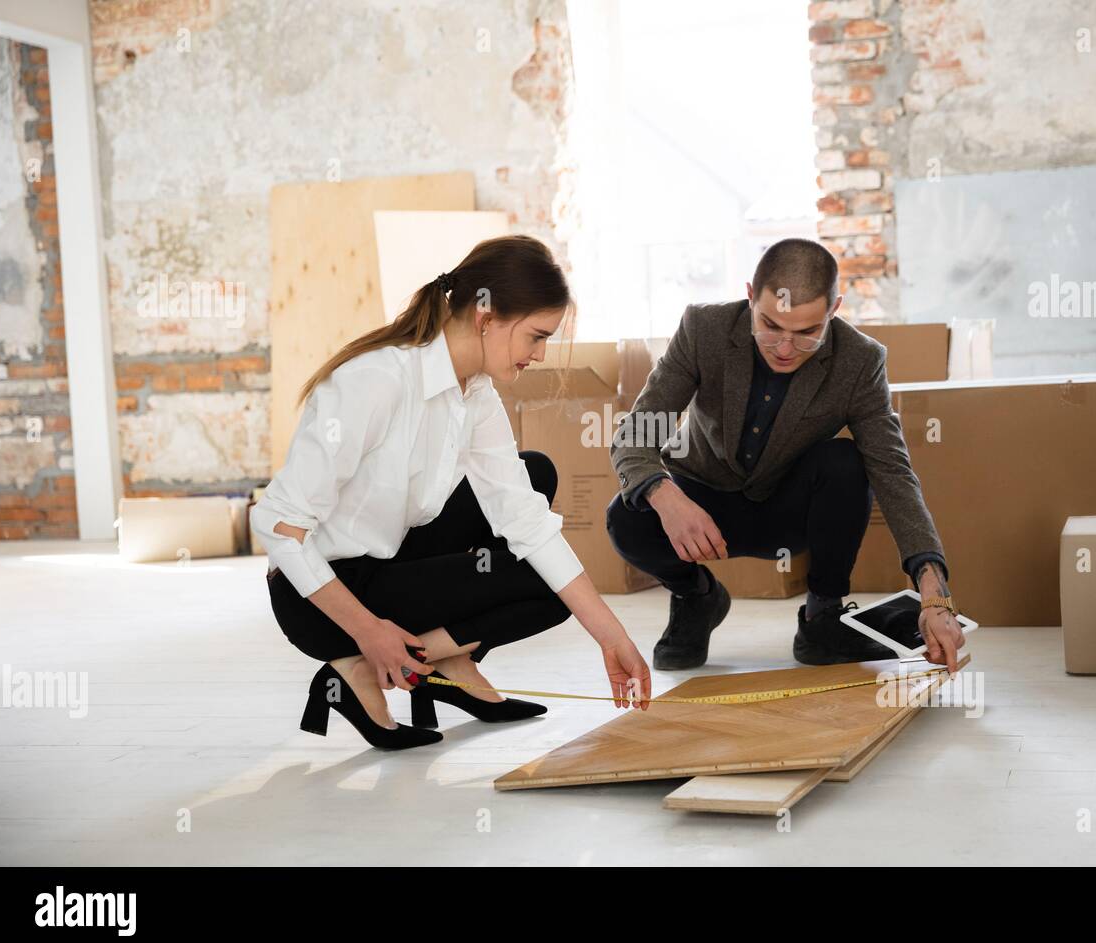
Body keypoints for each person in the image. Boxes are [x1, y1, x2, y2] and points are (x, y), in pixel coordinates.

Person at [252, 235, 652, 750]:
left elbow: (524, 519)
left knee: (533, 483)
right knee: (541, 583)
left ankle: (428, 663)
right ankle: (361, 661)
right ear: (487, 319)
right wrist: (371, 630)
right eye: (535, 336)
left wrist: (613, 638)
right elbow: (279, 528)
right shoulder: (375, 381)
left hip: (388, 557)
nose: (539, 354)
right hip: (320, 594)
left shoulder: (476, 393)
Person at [606, 238, 965, 672]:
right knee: (626, 515)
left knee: (847, 463)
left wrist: (934, 593)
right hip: (701, 508)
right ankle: (696, 597)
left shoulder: (860, 361)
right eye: (771, 326)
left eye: (807, 333)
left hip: (787, 513)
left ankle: (822, 618)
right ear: (750, 295)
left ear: (834, 310)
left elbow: (894, 472)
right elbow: (637, 433)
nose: (785, 348)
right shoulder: (704, 329)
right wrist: (665, 496)